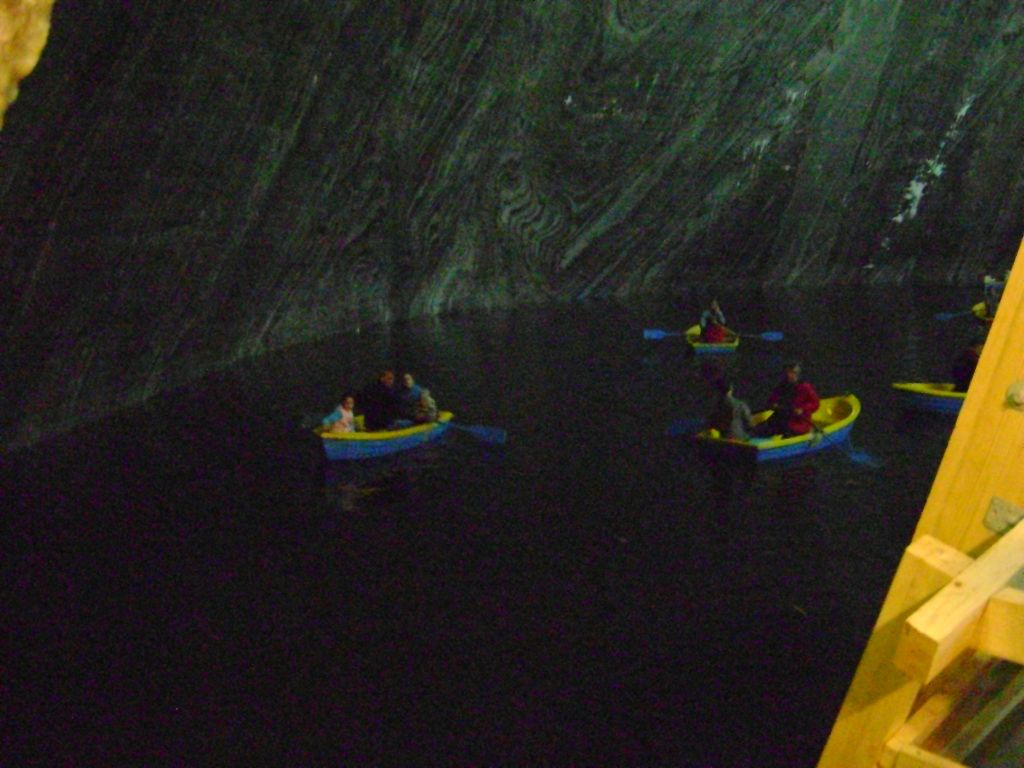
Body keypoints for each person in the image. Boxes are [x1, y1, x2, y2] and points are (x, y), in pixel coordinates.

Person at [753, 361, 820, 437]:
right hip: (782, 416)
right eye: (788, 372)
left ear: (798, 375)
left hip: (798, 421)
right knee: (761, 429)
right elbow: (771, 400)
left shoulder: (805, 387)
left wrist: (802, 409)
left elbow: (815, 403)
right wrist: (773, 405)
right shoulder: (782, 386)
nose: (789, 375)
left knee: (789, 433)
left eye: (792, 373)